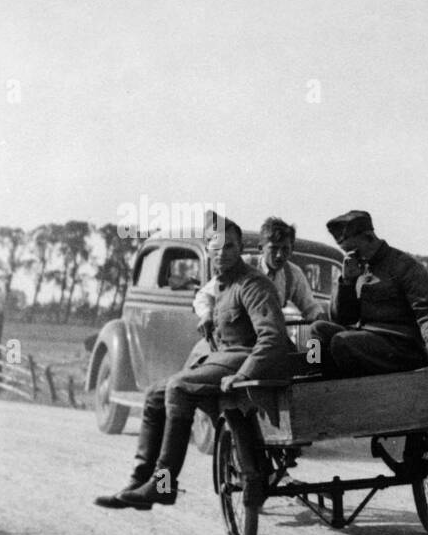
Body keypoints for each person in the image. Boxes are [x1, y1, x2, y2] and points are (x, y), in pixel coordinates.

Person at [94, 213, 293, 510]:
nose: (221, 253)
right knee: (154, 395)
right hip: (226, 357)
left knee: (177, 387)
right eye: (215, 246)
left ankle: (164, 485)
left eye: (229, 247)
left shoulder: (253, 284)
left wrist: (244, 374)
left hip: (247, 360)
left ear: (240, 249)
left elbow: (272, 338)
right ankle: (138, 482)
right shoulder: (222, 286)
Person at [308, 210, 428, 377]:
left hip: (402, 349)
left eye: (353, 250)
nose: (350, 257)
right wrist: (347, 283)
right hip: (367, 344)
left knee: (341, 343)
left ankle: (348, 391)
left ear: (369, 237)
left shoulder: (405, 266)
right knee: (316, 331)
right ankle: (314, 375)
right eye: (345, 252)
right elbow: (342, 319)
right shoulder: (358, 269)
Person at [194, 216, 325, 334]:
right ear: (261, 248)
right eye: (273, 248)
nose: (279, 255)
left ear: (292, 250)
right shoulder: (242, 265)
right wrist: (207, 314)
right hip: (238, 335)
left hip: (270, 335)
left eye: (285, 249)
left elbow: (310, 306)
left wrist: (320, 319)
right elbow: (204, 295)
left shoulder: (293, 273)